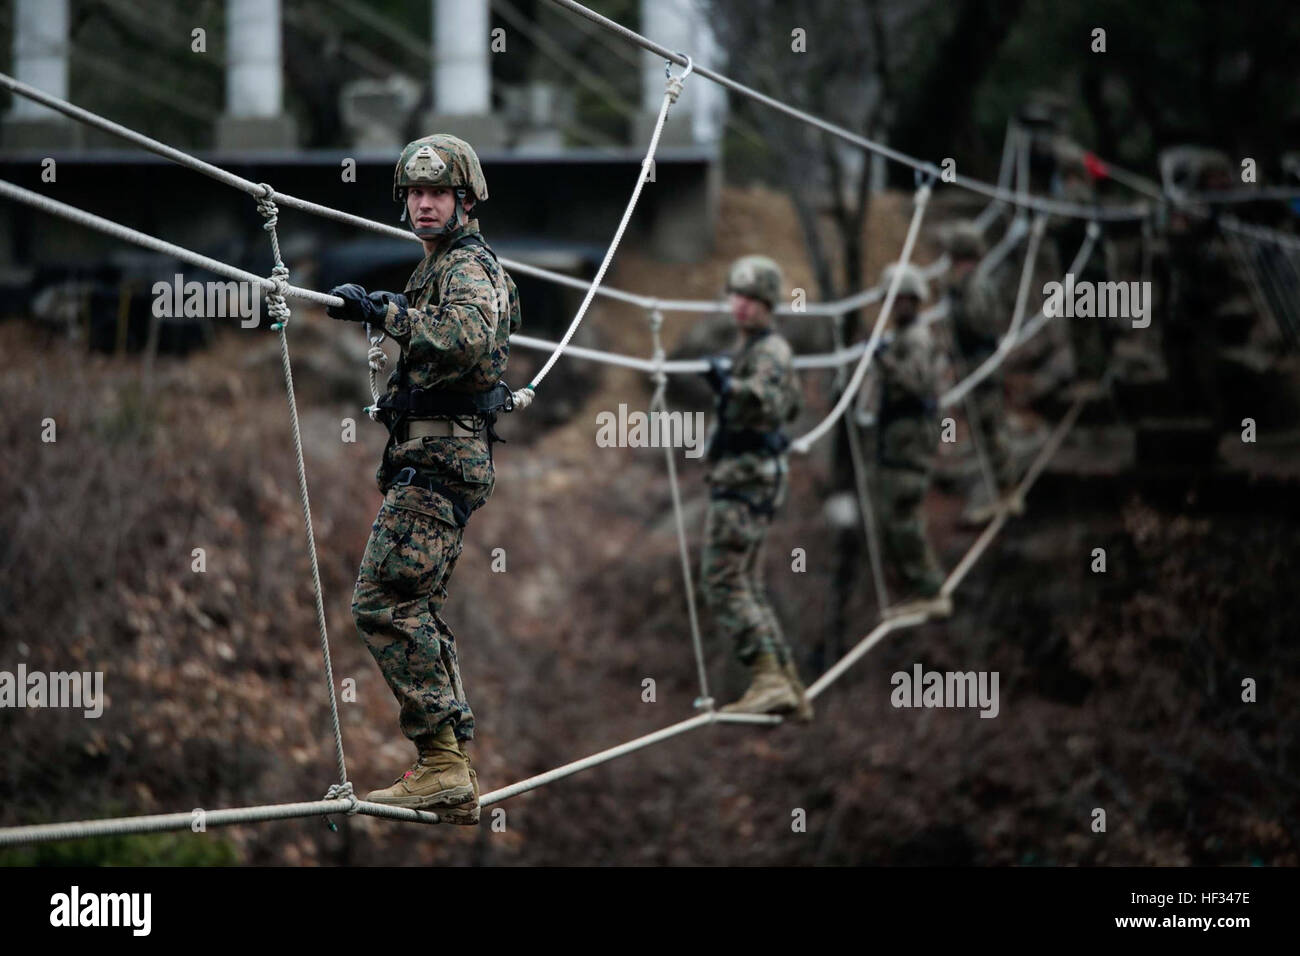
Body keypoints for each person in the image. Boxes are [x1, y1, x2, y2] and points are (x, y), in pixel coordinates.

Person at [326, 134, 521, 824]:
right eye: (414, 193)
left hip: (439, 469)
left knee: (381, 602)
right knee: (415, 607)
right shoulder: (444, 265)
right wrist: (391, 309)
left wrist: (390, 316)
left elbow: (467, 336)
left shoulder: (466, 268)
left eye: (437, 193)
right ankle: (454, 768)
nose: (424, 204)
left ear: (465, 200)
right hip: (434, 465)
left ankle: (440, 764)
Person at [700, 255, 810, 719]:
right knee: (747, 581)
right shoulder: (750, 349)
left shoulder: (770, 352)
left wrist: (731, 388)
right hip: (746, 477)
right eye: (737, 295)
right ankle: (785, 683)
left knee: (724, 579)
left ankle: (766, 676)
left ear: (769, 304)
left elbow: (767, 401)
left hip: (747, 480)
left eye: (753, 299)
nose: (742, 306)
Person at [867, 262, 951, 619]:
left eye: (898, 300)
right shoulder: (905, 337)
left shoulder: (916, 339)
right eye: (889, 299)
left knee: (902, 514)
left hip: (909, 438)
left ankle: (930, 589)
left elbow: (917, 385)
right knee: (894, 515)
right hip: (899, 437)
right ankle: (918, 590)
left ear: (912, 301)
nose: (892, 306)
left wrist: (884, 362)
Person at [942, 222, 1020, 524]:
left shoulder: (975, 285)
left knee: (990, 428)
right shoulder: (973, 283)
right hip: (974, 363)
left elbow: (978, 323)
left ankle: (1005, 493)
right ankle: (1002, 491)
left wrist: (957, 300)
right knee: (985, 428)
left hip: (980, 363)